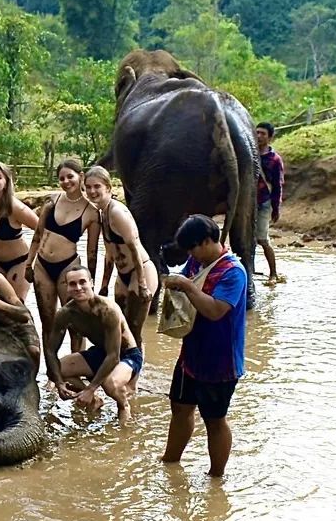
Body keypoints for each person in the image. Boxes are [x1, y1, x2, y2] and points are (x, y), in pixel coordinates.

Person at [161, 214, 248, 478]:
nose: (192, 255)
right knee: (180, 407)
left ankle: (216, 477)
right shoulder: (196, 262)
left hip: (220, 362)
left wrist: (186, 286)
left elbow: (215, 310)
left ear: (209, 240)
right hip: (191, 356)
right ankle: (170, 461)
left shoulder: (233, 273)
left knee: (214, 420)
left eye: (194, 248)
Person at [44, 266, 143, 422]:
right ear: (67, 288)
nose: (78, 287)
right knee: (55, 371)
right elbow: (50, 351)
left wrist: (91, 388)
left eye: (82, 282)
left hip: (126, 355)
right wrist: (59, 383)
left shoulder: (107, 310)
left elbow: (114, 356)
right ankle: (95, 400)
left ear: (91, 283)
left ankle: (123, 405)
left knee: (111, 384)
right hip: (99, 352)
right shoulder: (65, 314)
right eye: (72, 284)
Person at [25, 159, 99, 352]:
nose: (66, 181)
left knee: (76, 323)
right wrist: (28, 264)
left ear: (81, 176)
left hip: (68, 268)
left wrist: (90, 281)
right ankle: (52, 374)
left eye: (70, 177)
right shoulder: (52, 201)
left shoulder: (91, 212)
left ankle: (75, 369)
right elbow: (37, 235)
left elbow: (92, 252)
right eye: (62, 178)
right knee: (48, 322)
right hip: (42, 266)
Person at [84, 165, 159, 351]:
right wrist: (103, 285)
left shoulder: (117, 212)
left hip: (141, 270)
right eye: (89, 187)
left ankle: (134, 376)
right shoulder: (102, 213)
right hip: (123, 274)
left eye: (97, 186)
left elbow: (133, 247)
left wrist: (141, 283)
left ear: (108, 188)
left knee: (133, 330)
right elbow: (110, 253)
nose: (92, 191)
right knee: (118, 327)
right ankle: (120, 368)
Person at [0, 162, 39, 300]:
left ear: (6, 183)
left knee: (16, 305)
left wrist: (33, 258)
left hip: (19, 262)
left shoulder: (15, 207)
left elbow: (41, 229)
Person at [255, 121, 285, 285]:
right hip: (248, 203)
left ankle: (273, 273)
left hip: (264, 202)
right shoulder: (249, 153)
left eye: (263, 134)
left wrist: (276, 208)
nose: (259, 136)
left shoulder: (274, 159)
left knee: (262, 239)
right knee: (247, 240)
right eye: (257, 132)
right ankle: (249, 270)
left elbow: (277, 186)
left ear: (270, 137)